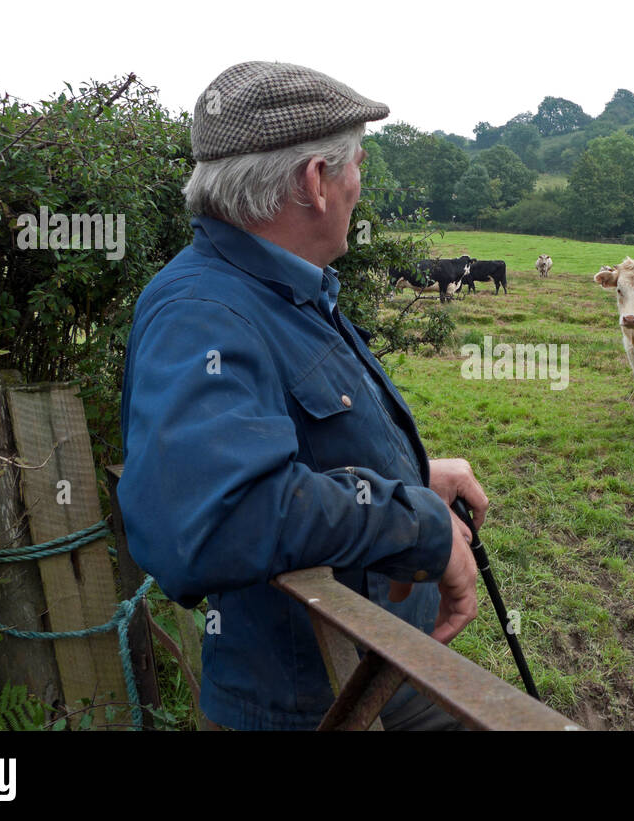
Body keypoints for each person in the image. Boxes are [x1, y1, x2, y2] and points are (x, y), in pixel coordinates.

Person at [118, 61, 485, 730]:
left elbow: (289, 446)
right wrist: (419, 525)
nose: (359, 186)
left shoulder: (282, 288)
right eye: (357, 166)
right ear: (316, 181)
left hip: (376, 665)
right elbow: (216, 515)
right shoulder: (202, 313)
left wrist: (410, 474)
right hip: (317, 705)